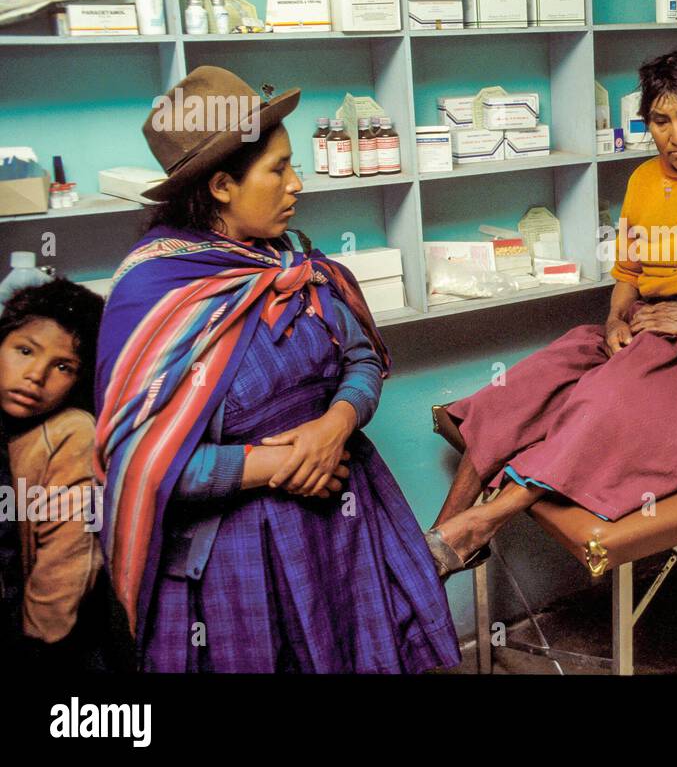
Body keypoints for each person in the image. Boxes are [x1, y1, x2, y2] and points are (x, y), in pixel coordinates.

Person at [95, 65, 460, 672]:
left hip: (347, 526)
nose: (297, 184)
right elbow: (140, 463)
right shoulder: (157, 295)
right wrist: (281, 463)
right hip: (240, 560)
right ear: (220, 186)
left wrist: (335, 426)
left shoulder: (293, 265)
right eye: (278, 169)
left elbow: (363, 358)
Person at [424, 47, 677, 576]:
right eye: (661, 120)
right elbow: (627, 278)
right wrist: (614, 322)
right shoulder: (645, 180)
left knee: (603, 399)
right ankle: (441, 536)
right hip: (648, 331)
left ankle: (485, 522)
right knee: (524, 387)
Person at [0, 279, 119, 670]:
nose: (36, 375)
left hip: (42, 649)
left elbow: (69, 561)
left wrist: (35, 650)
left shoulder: (71, 432)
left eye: (63, 366)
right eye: (24, 351)